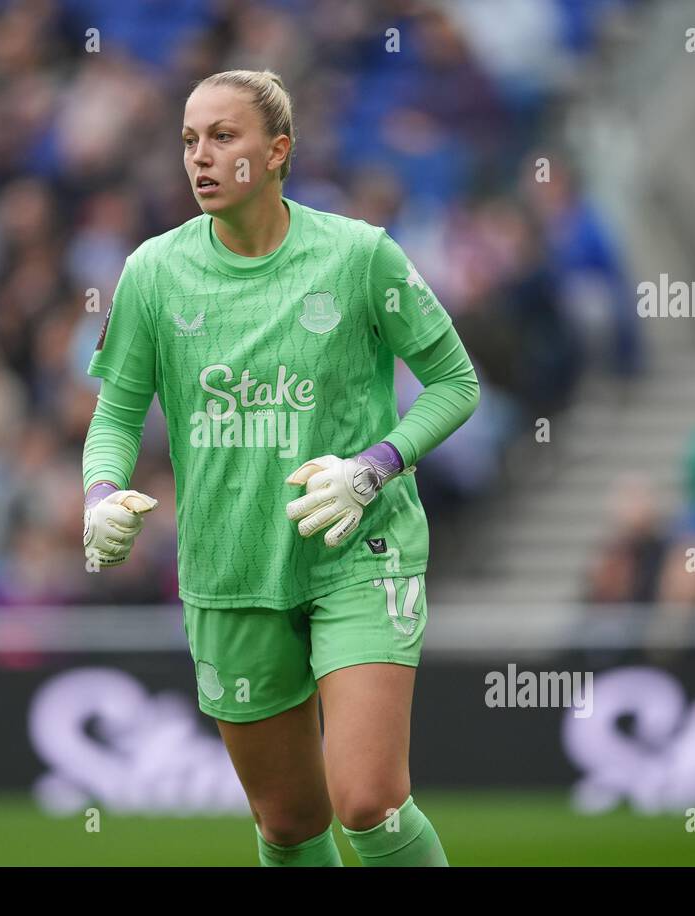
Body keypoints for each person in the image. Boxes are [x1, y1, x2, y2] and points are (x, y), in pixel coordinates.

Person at [80, 70, 479, 866]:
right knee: (291, 825)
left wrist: (376, 465)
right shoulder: (152, 275)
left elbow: (454, 384)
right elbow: (118, 416)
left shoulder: (360, 255)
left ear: (278, 151)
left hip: (359, 553)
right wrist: (97, 496)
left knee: (369, 804)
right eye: (189, 139)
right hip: (230, 571)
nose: (200, 156)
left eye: (223, 137)